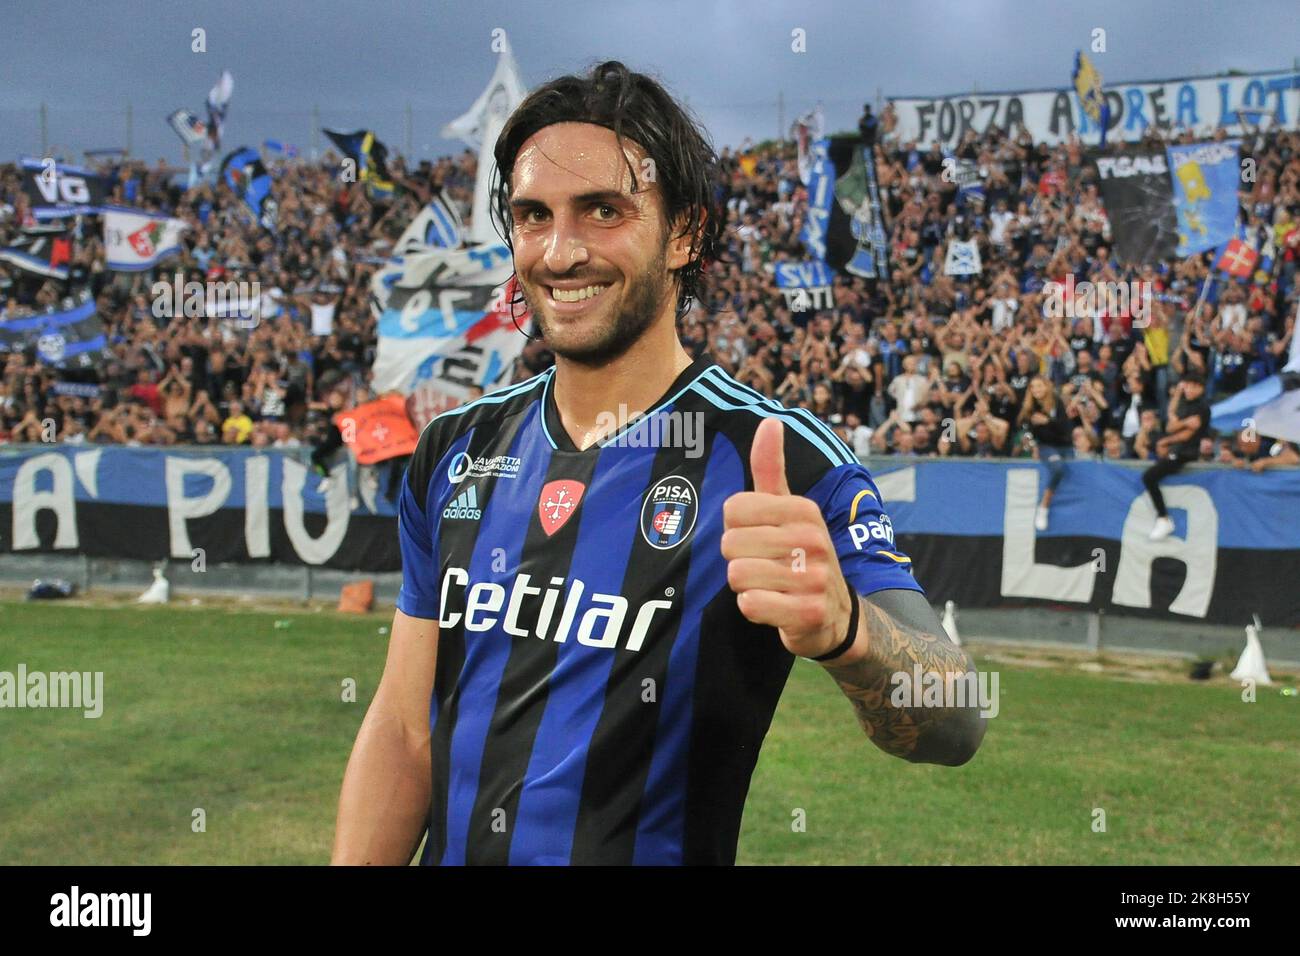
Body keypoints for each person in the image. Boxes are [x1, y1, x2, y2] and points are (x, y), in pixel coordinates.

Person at [332, 61, 985, 868]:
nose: (561, 251)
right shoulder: (456, 449)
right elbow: (403, 727)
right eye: (534, 216)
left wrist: (848, 628)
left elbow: (955, 718)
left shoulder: (778, 463)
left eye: (603, 211)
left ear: (685, 233)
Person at [1143, 372, 1210, 542]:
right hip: (1176, 451)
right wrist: (1181, 421)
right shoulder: (1184, 403)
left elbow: (1187, 434)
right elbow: (1171, 423)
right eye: (1187, 385)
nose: (1189, 389)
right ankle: (1162, 518)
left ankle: (1163, 518)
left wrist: (1166, 440)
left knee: (1149, 477)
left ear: (1201, 389)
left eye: (1193, 386)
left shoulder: (1202, 407)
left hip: (1186, 453)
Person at [1017, 376, 1072, 531]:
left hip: (1065, 445)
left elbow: (1065, 429)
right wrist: (1032, 444)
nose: (1036, 390)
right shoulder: (1029, 407)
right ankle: (1043, 507)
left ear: (1046, 387)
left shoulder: (1057, 403)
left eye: (1039, 386)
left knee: (1072, 473)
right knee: (1057, 468)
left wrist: (1047, 422)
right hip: (1046, 446)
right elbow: (1027, 432)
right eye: (1032, 387)